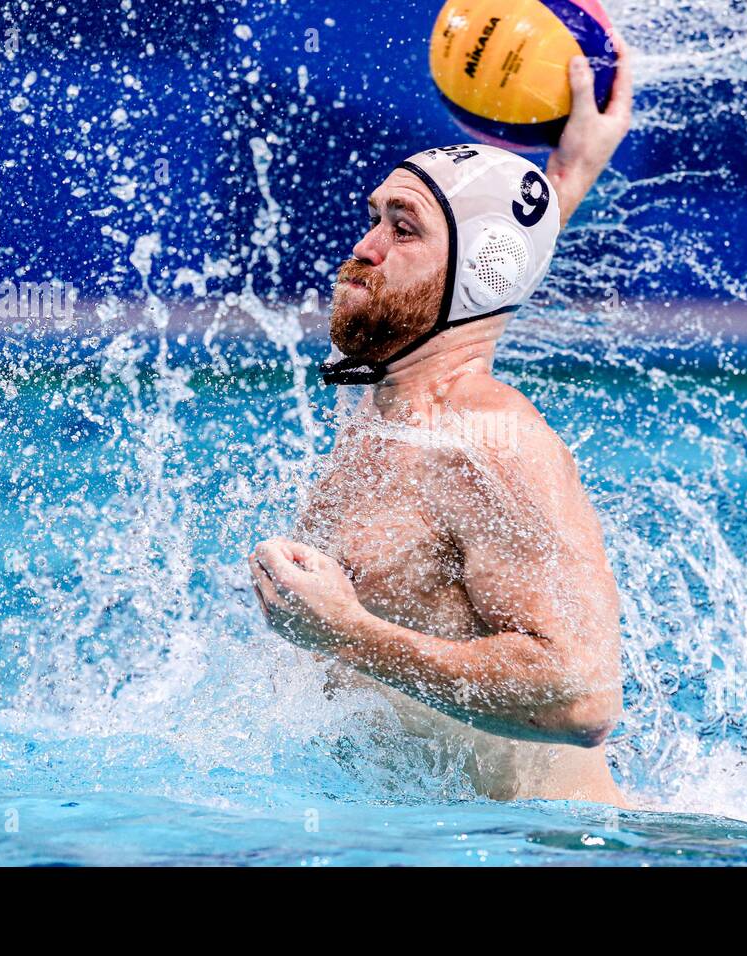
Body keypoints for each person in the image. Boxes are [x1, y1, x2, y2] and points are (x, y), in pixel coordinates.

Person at [251, 47, 633, 803]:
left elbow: (585, 697)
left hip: (545, 850)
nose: (364, 249)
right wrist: (572, 172)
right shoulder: (397, 396)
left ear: (473, 273)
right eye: (373, 220)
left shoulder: (489, 445)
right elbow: (488, 259)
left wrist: (347, 633)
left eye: (403, 228)